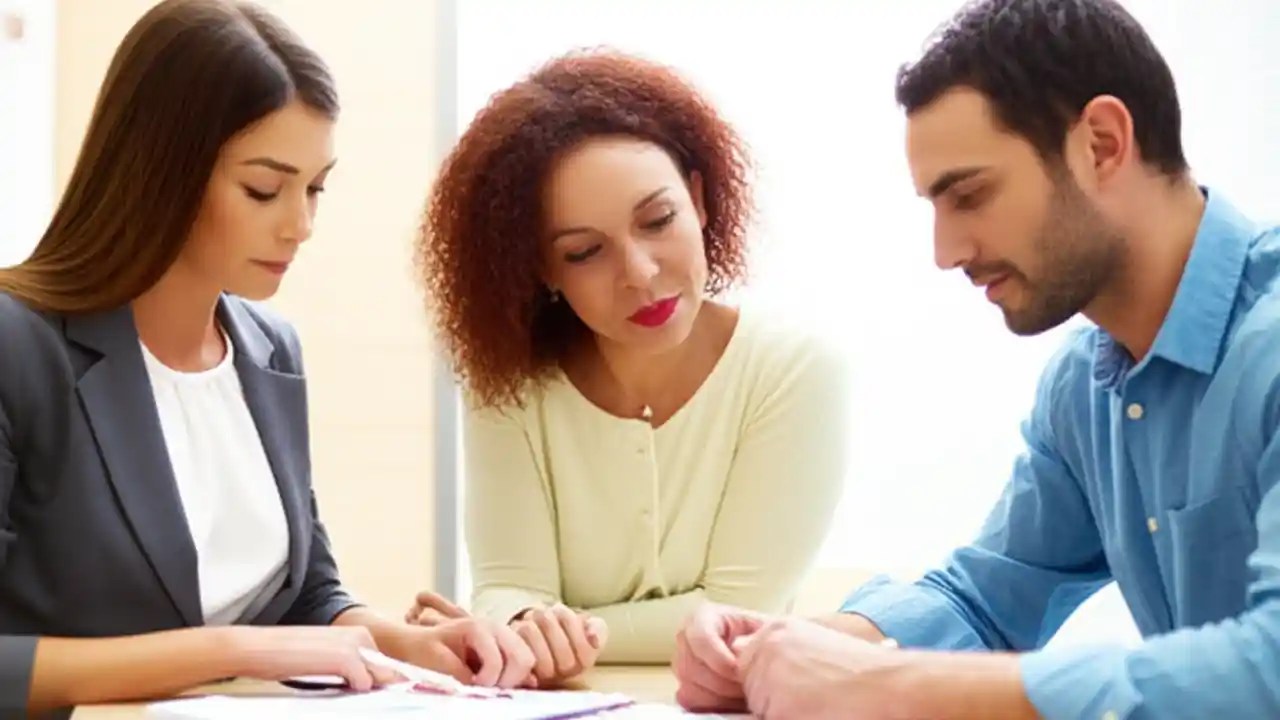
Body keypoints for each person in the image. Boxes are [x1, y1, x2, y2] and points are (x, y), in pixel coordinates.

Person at [673, 0, 1280, 718]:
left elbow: (1266, 667)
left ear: (1103, 143)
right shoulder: (1084, 385)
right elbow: (986, 595)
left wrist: (881, 688)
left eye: (970, 195)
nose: (945, 252)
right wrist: (785, 648)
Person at [0, 0, 535, 714]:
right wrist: (236, 650)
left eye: (315, 187)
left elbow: (306, 591)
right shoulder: (19, 346)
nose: (301, 223)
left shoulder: (269, 349)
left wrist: (401, 643)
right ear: (163, 169)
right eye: (264, 189)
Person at [406, 49, 850, 681]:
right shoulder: (509, 385)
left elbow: (740, 614)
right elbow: (508, 588)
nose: (639, 275)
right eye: (585, 252)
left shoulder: (793, 370)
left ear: (698, 201)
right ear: (541, 270)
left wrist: (532, 632)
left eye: (659, 219)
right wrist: (513, 623)